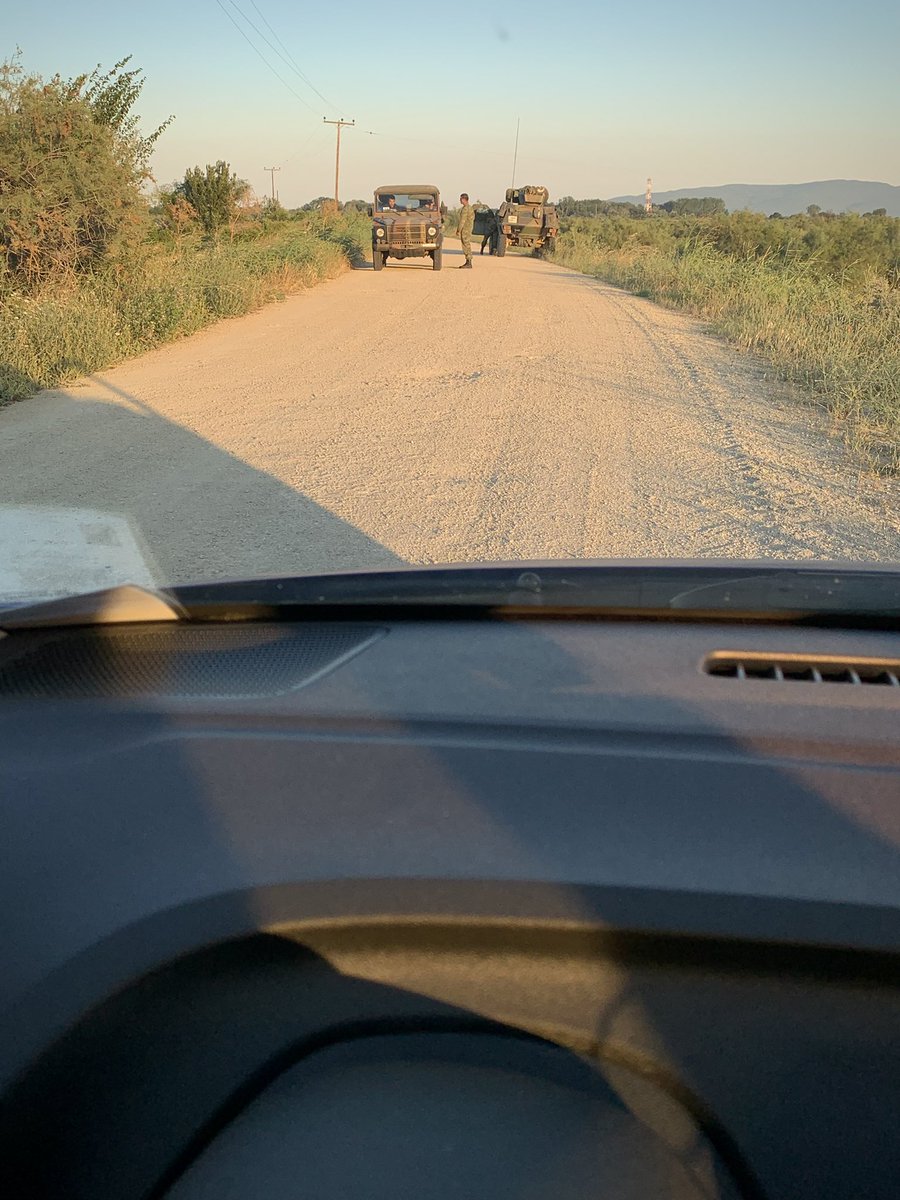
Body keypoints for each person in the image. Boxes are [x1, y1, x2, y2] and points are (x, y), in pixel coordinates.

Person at [457, 193, 474, 268]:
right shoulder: (470, 208)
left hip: (465, 229)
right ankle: (468, 261)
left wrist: (458, 230)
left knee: (466, 245)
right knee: (467, 244)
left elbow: (462, 221)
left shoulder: (465, 209)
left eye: (461, 199)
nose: (460, 200)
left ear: (464, 199)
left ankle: (468, 261)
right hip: (469, 228)